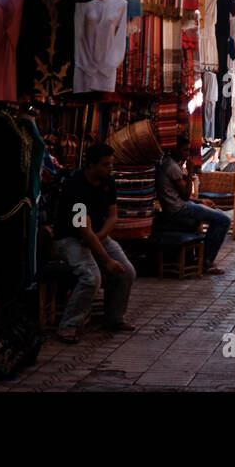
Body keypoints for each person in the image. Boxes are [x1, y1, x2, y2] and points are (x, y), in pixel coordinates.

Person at [52, 144, 136, 344]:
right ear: (91, 166)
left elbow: (112, 217)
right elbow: (82, 230)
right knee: (91, 277)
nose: (110, 168)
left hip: (97, 234)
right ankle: (68, 326)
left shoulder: (108, 183)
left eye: (111, 164)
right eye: (105, 164)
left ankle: (114, 318)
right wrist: (106, 261)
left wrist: (99, 237)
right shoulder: (75, 187)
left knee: (127, 272)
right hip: (70, 238)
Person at [155, 153, 230, 275]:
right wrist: (190, 172)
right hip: (180, 210)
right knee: (223, 220)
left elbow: (180, 197)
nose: (187, 153)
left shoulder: (171, 165)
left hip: (184, 206)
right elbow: (185, 194)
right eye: (185, 150)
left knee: (219, 214)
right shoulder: (172, 167)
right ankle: (206, 261)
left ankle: (203, 258)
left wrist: (200, 201)